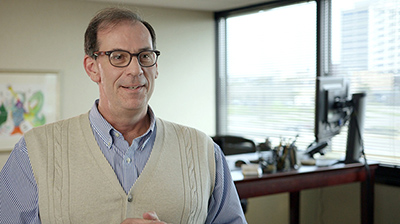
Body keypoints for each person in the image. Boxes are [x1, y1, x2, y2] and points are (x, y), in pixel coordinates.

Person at [0, 7, 247, 224]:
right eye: (118, 57)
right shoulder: (34, 151)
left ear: (156, 66)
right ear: (92, 67)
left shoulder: (203, 150)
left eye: (145, 56)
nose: (136, 69)